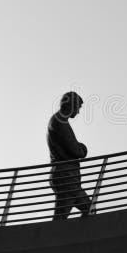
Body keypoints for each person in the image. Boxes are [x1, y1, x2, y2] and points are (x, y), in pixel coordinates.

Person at [46, 91, 90, 220]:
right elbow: (76, 151)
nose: (78, 112)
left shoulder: (58, 120)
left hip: (68, 177)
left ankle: (75, 232)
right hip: (66, 176)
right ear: (72, 105)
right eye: (78, 107)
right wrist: (83, 148)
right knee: (60, 219)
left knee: (88, 208)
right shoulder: (59, 122)